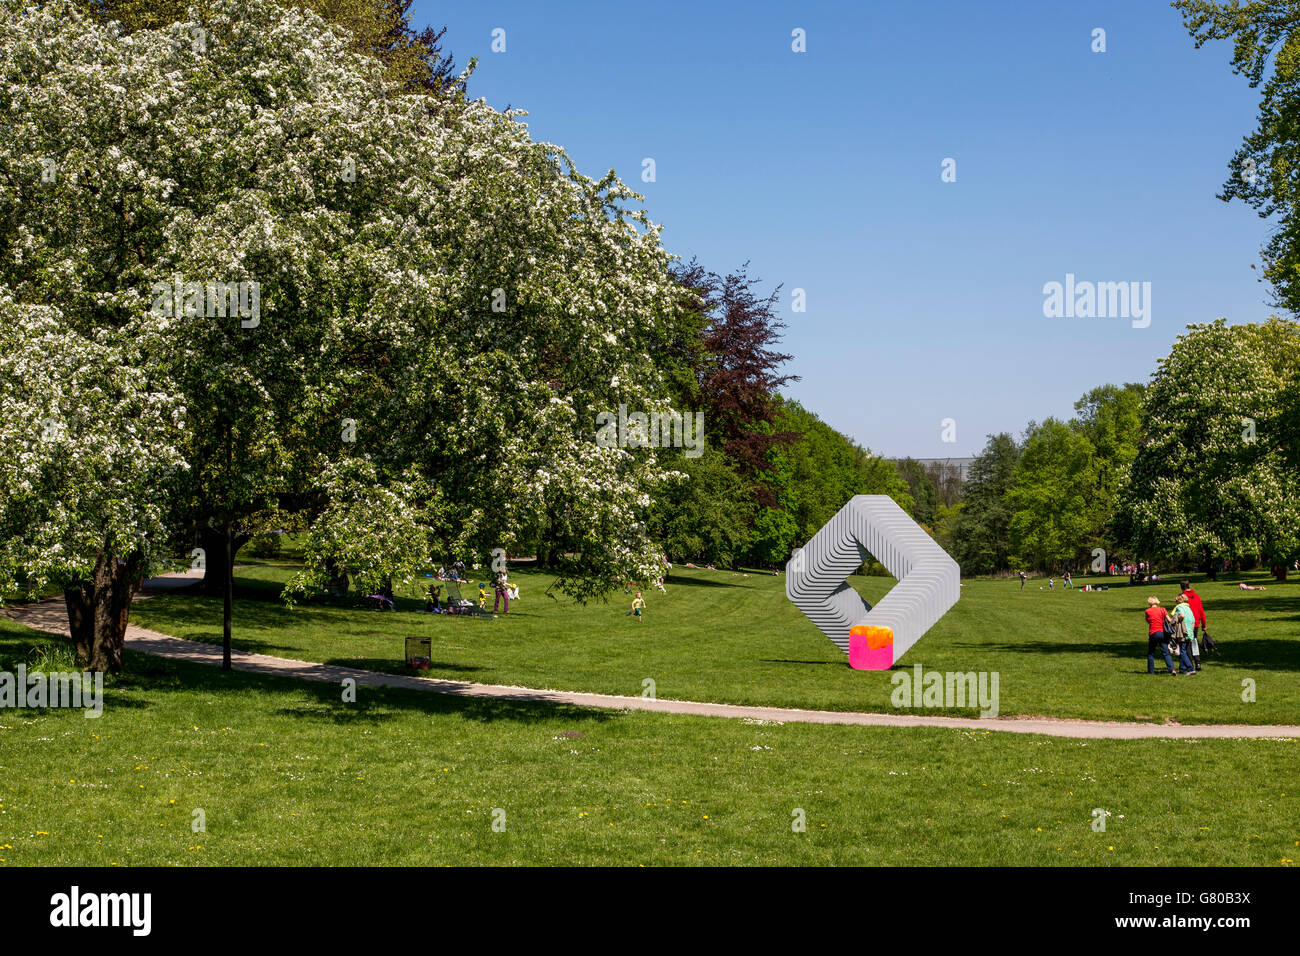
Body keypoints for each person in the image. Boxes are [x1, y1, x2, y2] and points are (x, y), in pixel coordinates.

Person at [1144, 596, 1177, 675]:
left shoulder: (1147, 611)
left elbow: (1148, 621)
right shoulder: (1162, 609)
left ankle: (1151, 671)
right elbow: (1169, 620)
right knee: (1166, 652)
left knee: (1151, 653)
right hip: (1163, 633)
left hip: (1153, 633)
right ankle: (1172, 669)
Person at [1179, 579, 1210, 650]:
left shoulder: (1182, 598)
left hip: (1186, 623)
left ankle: (1189, 660)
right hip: (1196, 622)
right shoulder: (1196, 596)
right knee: (1194, 641)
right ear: (1189, 585)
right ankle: (1197, 659)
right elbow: (1201, 611)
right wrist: (1204, 625)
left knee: (1187, 644)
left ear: (1181, 587)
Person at [1173, 593, 1199, 671]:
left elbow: (1182, 615)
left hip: (1183, 632)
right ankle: (1182, 669)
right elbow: (1193, 620)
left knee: (1182, 651)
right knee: (1183, 649)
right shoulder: (1189, 608)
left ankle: (1190, 668)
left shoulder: (1179, 607)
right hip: (1190, 632)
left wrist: (1176, 618)